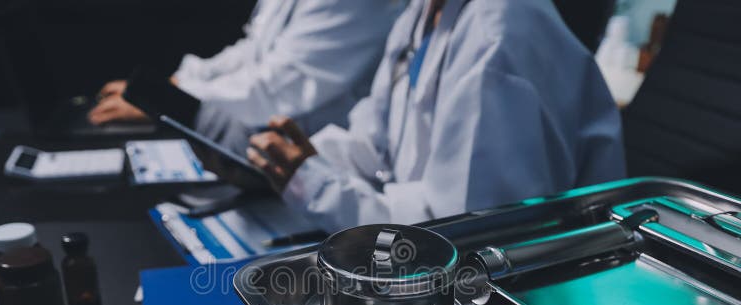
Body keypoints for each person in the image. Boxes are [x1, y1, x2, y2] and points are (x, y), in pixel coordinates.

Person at [247, 0, 627, 232]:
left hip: (503, 301)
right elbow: (377, 143)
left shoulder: (497, 39)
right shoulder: (426, 11)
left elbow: (460, 236)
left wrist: (318, 188)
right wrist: (299, 159)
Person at [88, 0, 405, 149]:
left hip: (317, 156)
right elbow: (253, 49)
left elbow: (276, 87)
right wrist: (175, 84)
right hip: (280, 155)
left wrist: (171, 100)